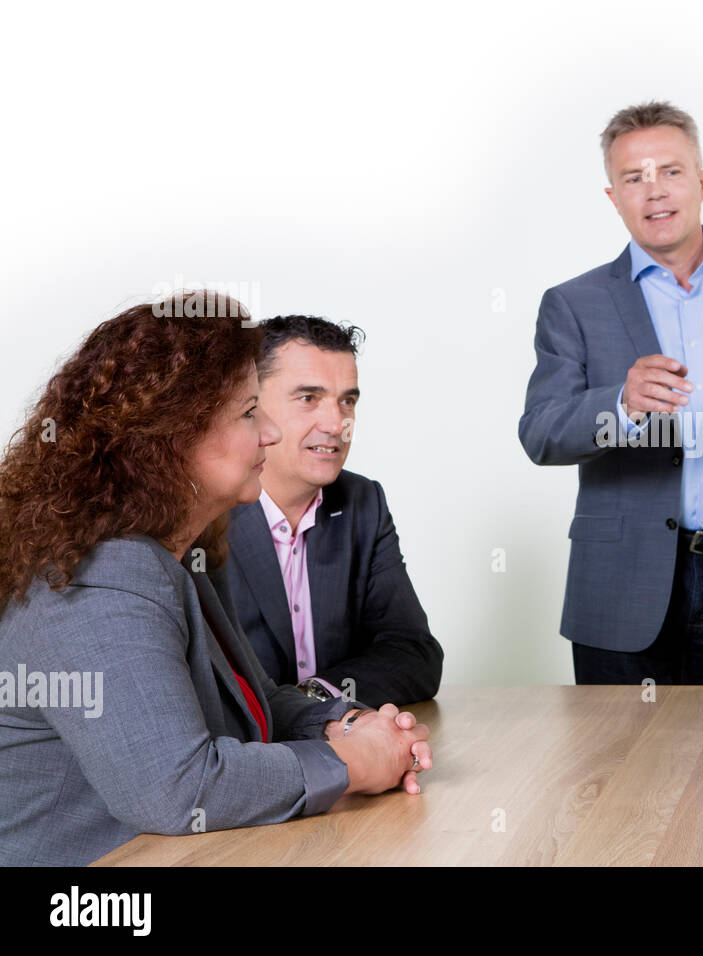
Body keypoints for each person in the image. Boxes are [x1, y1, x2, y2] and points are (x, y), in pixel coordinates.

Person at [0, 293, 432, 867]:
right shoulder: (100, 577)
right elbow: (177, 789)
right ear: (174, 437)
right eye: (250, 412)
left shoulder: (179, 550)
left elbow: (252, 705)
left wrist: (349, 723)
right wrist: (353, 765)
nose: (270, 436)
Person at [519, 101, 703, 684]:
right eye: (634, 177)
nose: (654, 190)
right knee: (616, 770)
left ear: (702, 183)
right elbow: (541, 432)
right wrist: (620, 407)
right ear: (614, 197)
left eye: (671, 171)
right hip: (618, 585)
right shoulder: (573, 304)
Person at [213, 315, 443, 708]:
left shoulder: (362, 502)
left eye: (347, 401)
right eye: (308, 398)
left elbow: (414, 653)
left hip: (344, 748)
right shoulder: (205, 511)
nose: (338, 424)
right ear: (251, 403)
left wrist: (314, 698)